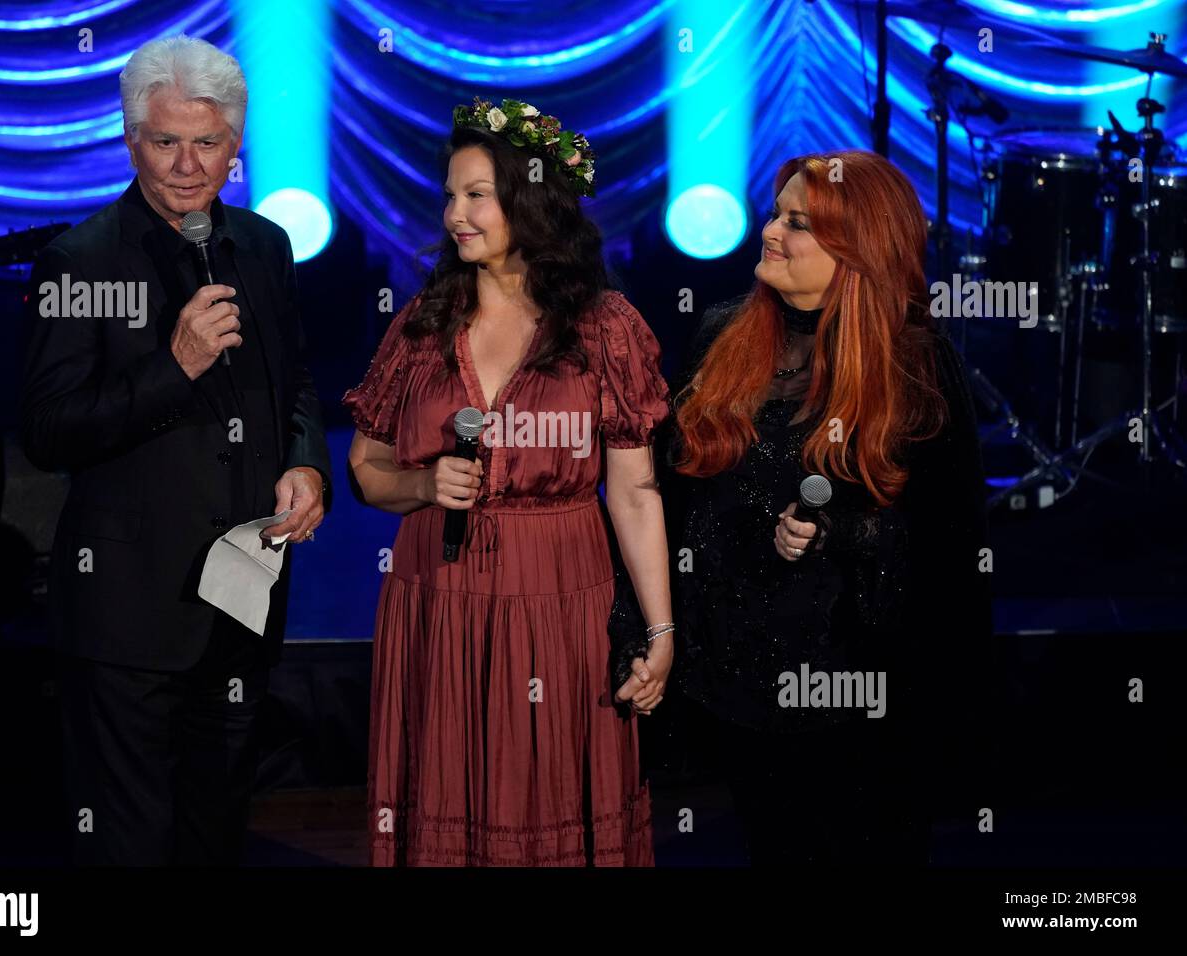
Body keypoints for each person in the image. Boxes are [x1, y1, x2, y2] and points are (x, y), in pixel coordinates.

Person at [615, 150, 991, 864]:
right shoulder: (725, 333)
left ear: (859, 248)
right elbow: (667, 495)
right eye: (776, 214)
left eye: (798, 224)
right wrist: (645, 630)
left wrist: (841, 533)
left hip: (860, 689)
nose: (770, 232)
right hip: (739, 682)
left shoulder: (916, 363)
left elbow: (950, 546)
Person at [19, 35, 332, 865]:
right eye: (165, 142)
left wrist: (305, 461)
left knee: (216, 836)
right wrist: (175, 367)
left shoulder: (264, 246)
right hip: (126, 615)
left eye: (209, 142)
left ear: (236, 147)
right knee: (130, 842)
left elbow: (293, 380)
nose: (187, 165)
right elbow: (49, 433)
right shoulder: (79, 259)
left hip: (242, 599)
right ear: (130, 141)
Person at [343, 98, 672, 866]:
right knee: (447, 790)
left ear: (530, 200)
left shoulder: (605, 327)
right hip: (440, 596)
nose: (456, 214)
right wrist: (422, 489)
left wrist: (660, 630)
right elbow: (366, 466)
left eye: (476, 195)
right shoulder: (423, 322)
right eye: (451, 195)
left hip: (562, 593)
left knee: (550, 785)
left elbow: (634, 492)